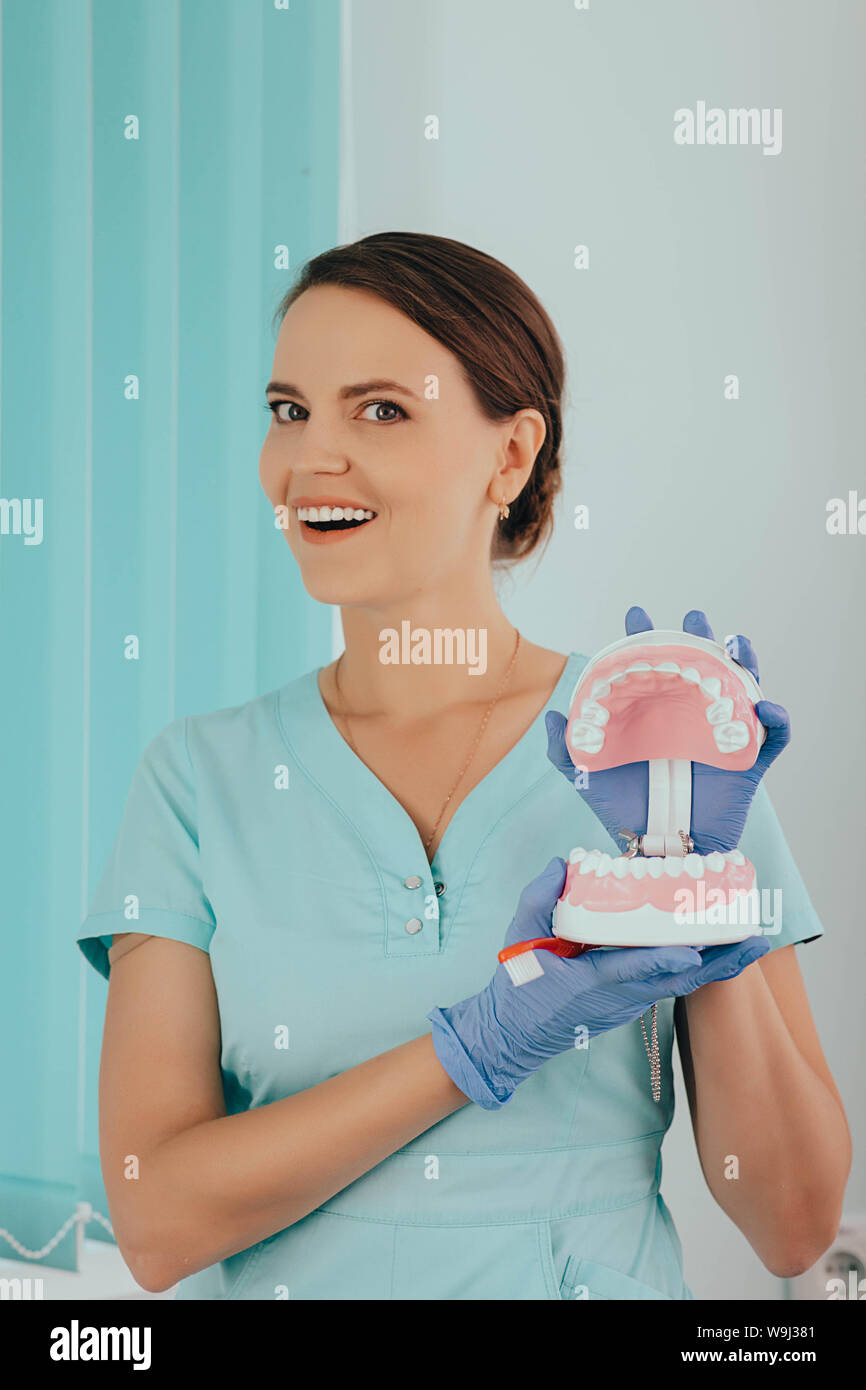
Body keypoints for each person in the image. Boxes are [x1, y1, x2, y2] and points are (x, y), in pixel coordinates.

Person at [77, 232, 850, 1300]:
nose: (308, 458)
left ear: (510, 454)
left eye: (380, 408)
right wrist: (473, 1048)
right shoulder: (197, 781)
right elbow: (156, 1219)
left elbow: (791, 1227)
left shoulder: (659, 737)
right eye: (288, 409)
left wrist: (700, 914)